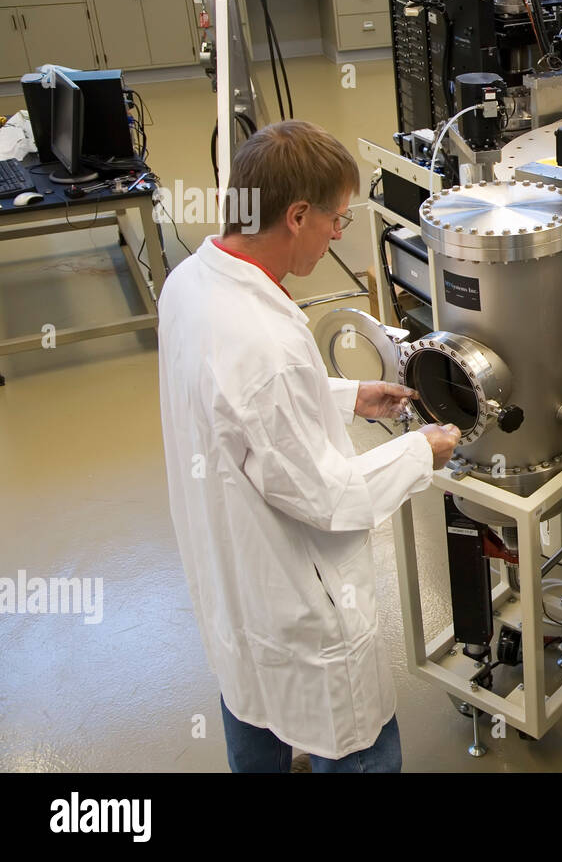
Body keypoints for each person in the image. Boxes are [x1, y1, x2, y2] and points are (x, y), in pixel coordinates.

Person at [157, 120, 460, 772]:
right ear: (297, 215)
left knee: (252, 704)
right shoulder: (263, 340)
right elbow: (326, 496)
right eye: (337, 221)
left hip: (231, 573)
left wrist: (347, 395)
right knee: (356, 743)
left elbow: (234, 411)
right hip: (298, 595)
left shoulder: (188, 283)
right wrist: (420, 453)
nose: (337, 237)